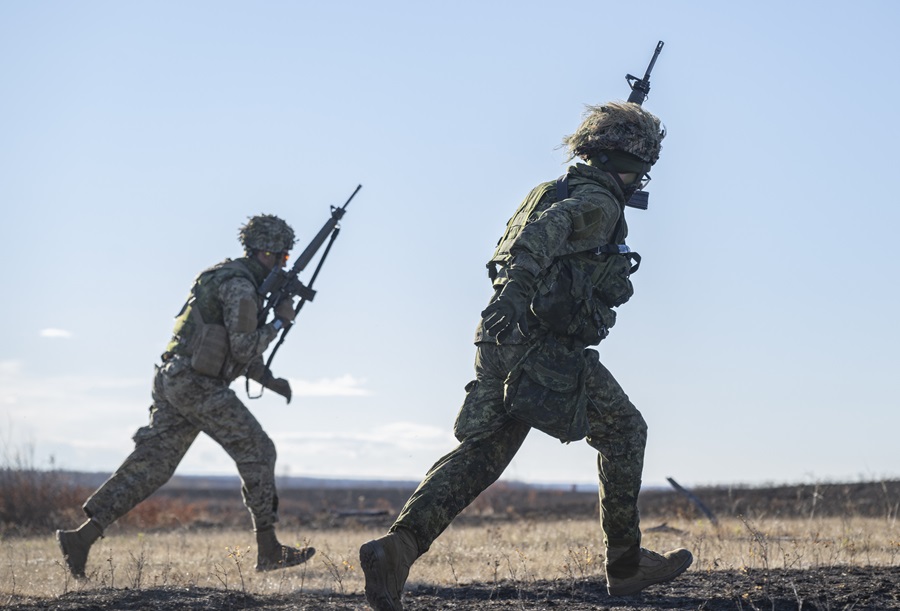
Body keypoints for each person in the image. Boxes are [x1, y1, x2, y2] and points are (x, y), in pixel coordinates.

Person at [359, 102, 691, 609]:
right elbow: (540, 238)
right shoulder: (597, 201)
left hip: (499, 339)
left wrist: (509, 302)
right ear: (628, 161)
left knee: (481, 456)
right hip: (542, 345)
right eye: (642, 168)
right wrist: (516, 297)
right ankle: (625, 565)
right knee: (626, 431)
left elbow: (524, 242)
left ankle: (397, 549)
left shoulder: (549, 190)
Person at [56, 214, 315, 578]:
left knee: (153, 466)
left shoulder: (227, 277)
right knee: (258, 450)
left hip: (174, 378)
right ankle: (269, 549)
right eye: (282, 257)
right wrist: (278, 322)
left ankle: (81, 538)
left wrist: (269, 380)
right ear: (266, 253)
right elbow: (243, 346)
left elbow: (224, 345)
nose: (284, 263)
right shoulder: (241, 287)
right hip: (197, 384)